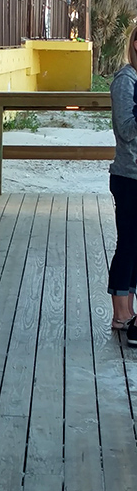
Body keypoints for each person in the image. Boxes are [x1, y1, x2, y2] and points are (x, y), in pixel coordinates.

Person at [108, 23, 137, 344]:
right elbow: (126, 128)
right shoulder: (125, 80)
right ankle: (120, 313)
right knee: (127, 244)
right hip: (128, 176)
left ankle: (128, 311)